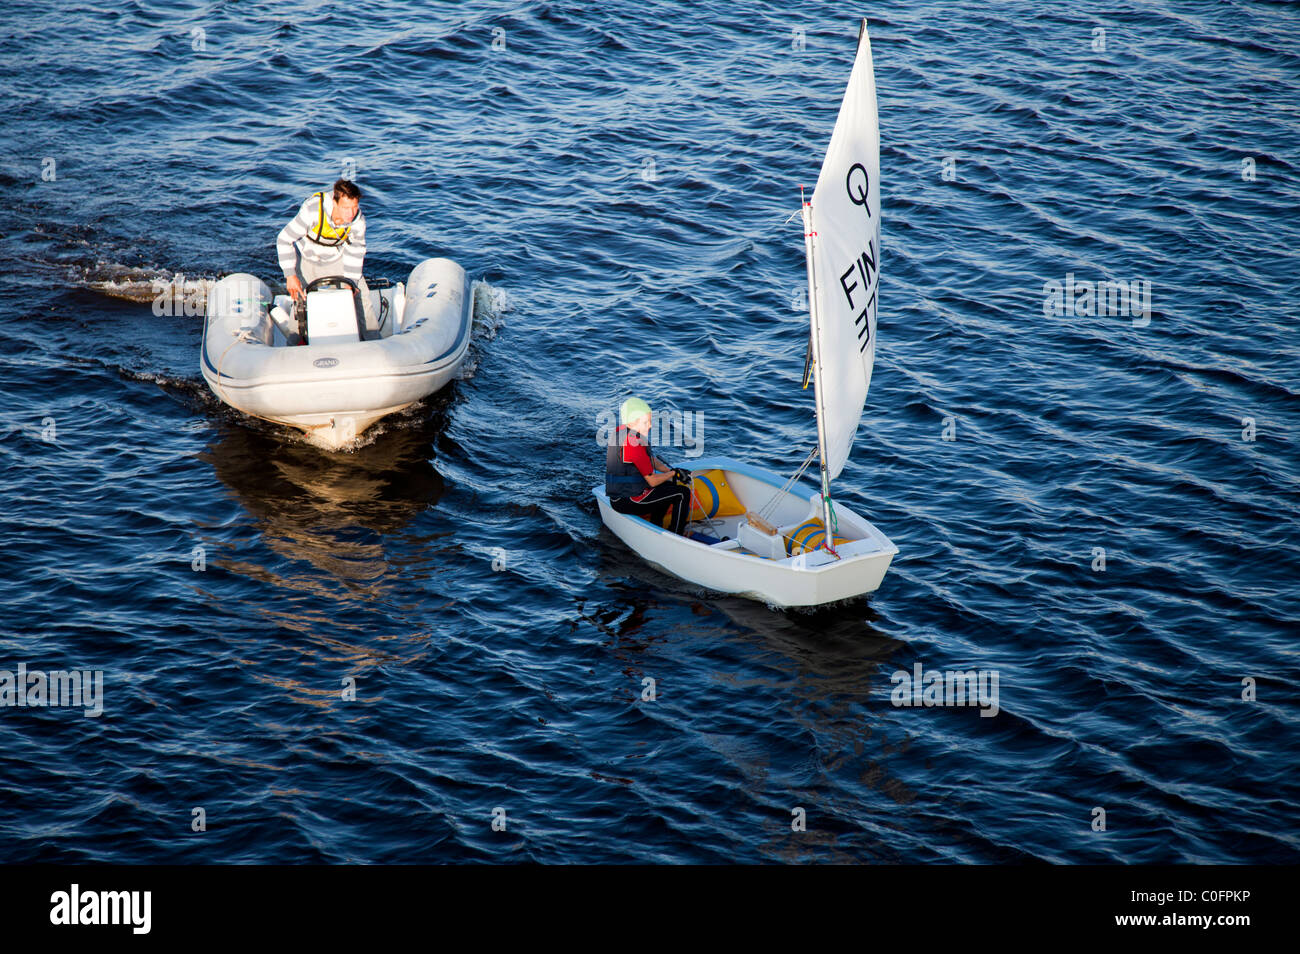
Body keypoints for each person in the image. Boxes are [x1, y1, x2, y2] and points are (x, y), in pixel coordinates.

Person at [276, 178, 376, 338]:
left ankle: (372, 339)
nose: (351, 213)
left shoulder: (358, 222)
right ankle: (294, 342)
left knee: (361, 294)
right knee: (299, 299)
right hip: (307, 259)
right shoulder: (313, 211)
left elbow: (356, 252)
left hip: (337, 259)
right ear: (335, 203)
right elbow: (284, 239)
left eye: (354, 207)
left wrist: (351, 282)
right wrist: (290, 275)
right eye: (346, 208)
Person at [606, 397, 693, 535]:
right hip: (629, 500)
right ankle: (676, 535)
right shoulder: (633, 444)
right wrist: (672, 474)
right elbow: (652, 481)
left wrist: (671, 471)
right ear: (633, 422)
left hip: (618, 496)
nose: (650, 425)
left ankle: (656, 525)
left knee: (668, 487)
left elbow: (648, 459)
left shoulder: (621, 432)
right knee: (682, 493)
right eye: (646, 422)